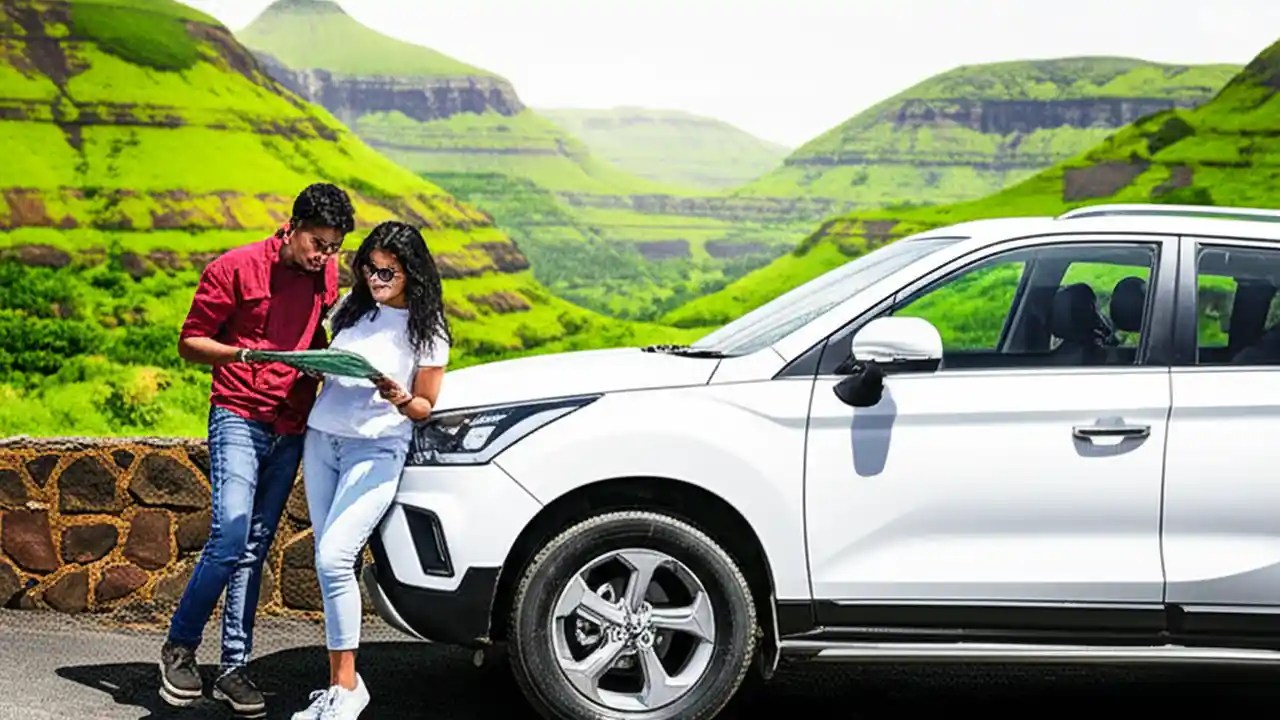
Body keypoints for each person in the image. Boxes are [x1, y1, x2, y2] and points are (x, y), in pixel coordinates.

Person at [159, 183, 356, 717]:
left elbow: (317, 330)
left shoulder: (328, 274)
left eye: (333, 247)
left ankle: (233, 669)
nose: (324, 257)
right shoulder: (235, 268)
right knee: (229, 532)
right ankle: (179, 648)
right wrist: (246, 354)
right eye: (317, 243)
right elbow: (191, 342)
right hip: (239, 414)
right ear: (291, 228)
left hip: (292, 422)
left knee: (257, 545)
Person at [292, 221, 452, 720]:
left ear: (411, 273)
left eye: (388, 271)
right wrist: (315, 367)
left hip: (377, 448)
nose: (376, 279)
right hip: (323, 440)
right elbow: (331, 360)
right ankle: (338, 685)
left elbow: (426, 404)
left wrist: (402, 398)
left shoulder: (428, 329)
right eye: (369, 268)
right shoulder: (351, 308)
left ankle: (348, 687)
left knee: (335, 558)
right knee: (329, 560)